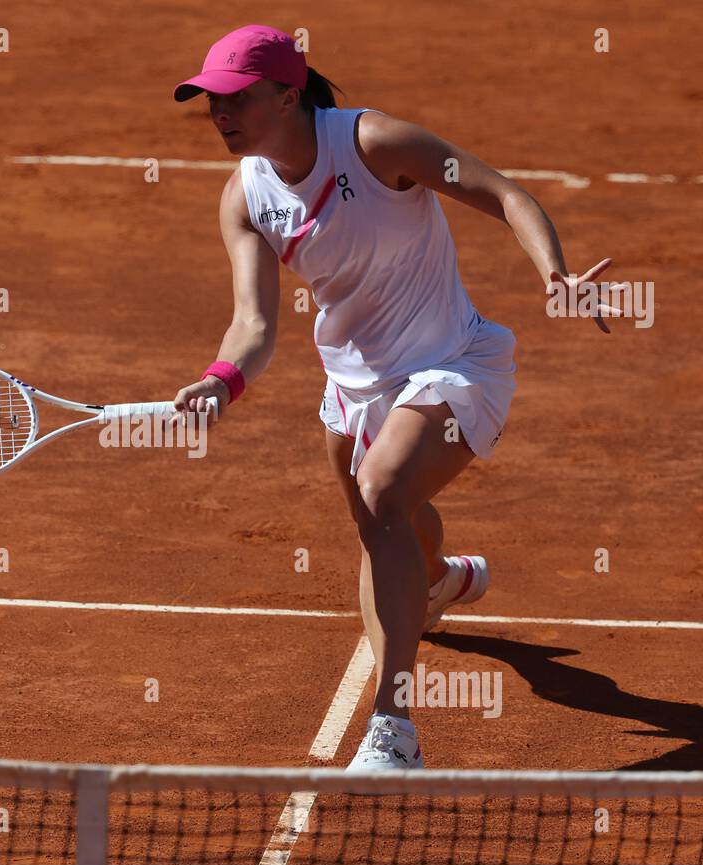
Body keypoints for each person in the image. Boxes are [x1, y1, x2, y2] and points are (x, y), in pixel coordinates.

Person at [170, 25, 613, 771]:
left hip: (454, 364)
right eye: (211, 100)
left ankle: (393, 728)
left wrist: (555, 274)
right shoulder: (244, 197)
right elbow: (254, 324)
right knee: (393, 525)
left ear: (288, 95)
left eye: (236, 98)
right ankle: (439, 580)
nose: (220, 114)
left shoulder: (376, 144)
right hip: (353, 385)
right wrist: (221, 381)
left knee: (381, 495)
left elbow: (505, 195)